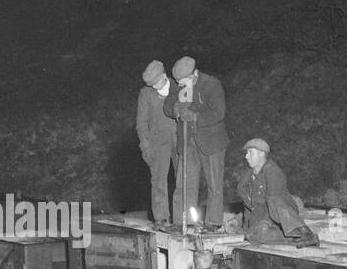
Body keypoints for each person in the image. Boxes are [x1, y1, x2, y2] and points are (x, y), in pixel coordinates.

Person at [164, 56, 229, 226]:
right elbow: (168, 105)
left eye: (183, 81)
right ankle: (181, 223)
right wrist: (176, 108)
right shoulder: (179, 85)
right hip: (187, 142)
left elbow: (219, 113)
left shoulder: (211, 84)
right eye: (178, 82)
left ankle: (213, 223)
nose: (180, 85)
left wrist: (195, 117)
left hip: (211, 141)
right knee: (184, 184)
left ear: (194, 75)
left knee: (214, 184)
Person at [237, 138, 318, 247]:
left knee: (274, 199)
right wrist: (248, 228)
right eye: (246, 153)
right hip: (261, 216)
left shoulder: (272, 171)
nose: (246, 156)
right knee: (257, 235)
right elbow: (248, 205)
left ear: (261, 154)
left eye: (250, 153)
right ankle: (293, 239)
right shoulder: (248, 175)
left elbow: (273, 201)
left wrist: (264, 222)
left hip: (280, 214)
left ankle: (305, 233)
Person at [136, 60, 178, 224]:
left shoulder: (177, 86)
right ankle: (161, 218)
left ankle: (183, 219)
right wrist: (145, 147)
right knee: (158, 181)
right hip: (157, 142)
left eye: (156, 83)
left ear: (164, 75)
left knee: (183, 179)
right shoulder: (145, 94)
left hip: (179, 139)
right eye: (150, 84)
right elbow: (141, 123)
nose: (153, 87)